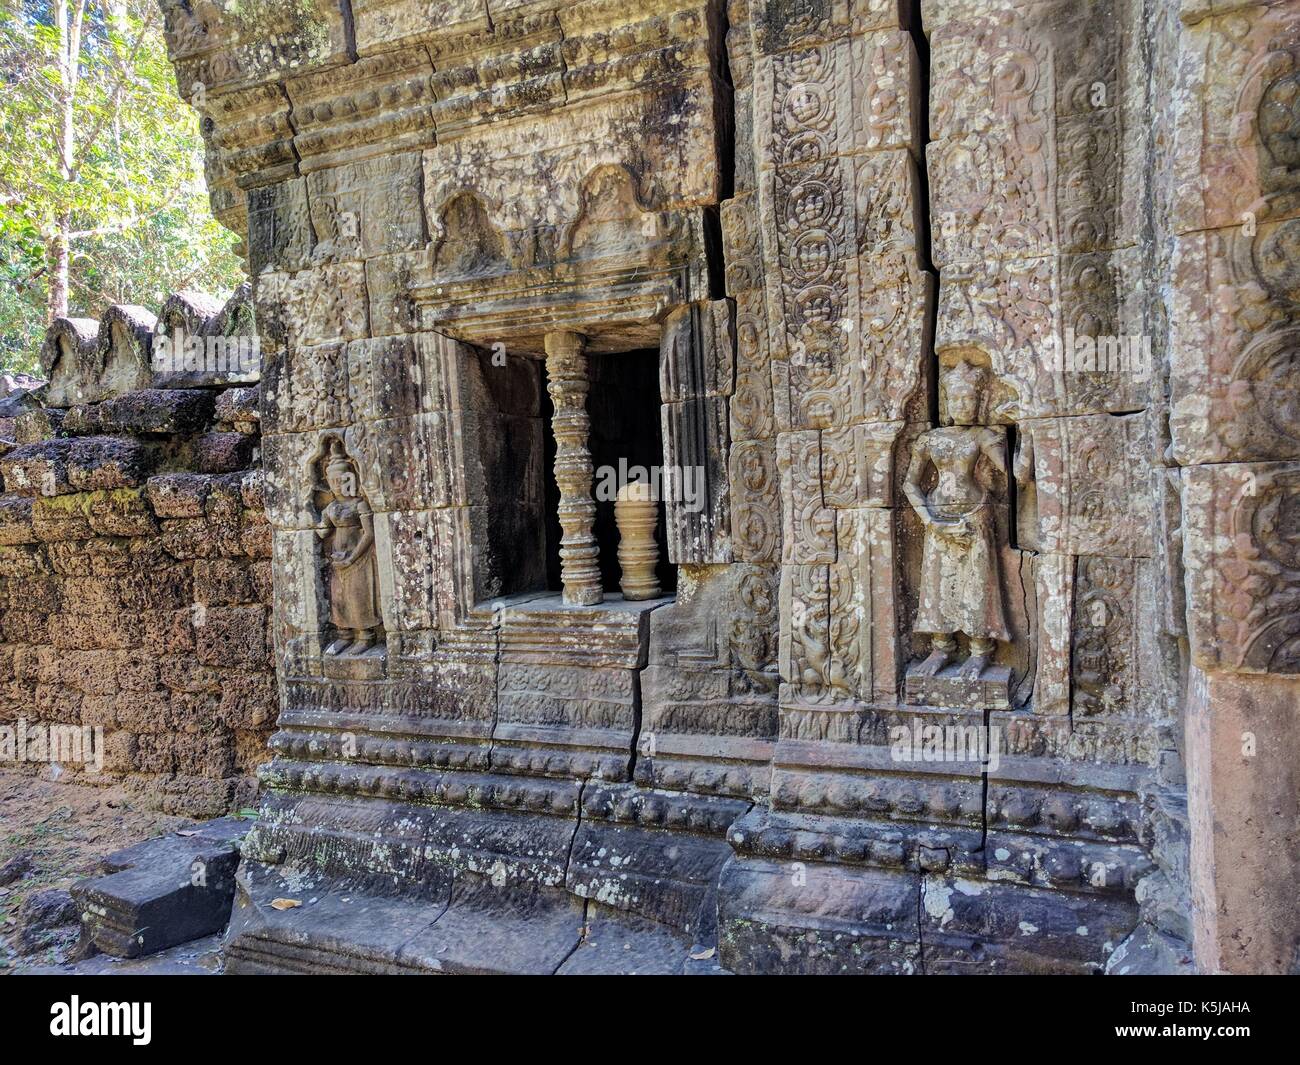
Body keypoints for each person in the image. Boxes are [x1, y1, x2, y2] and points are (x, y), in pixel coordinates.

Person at [903, 359, 1010, 679]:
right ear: (947, 401)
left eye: (971, 399)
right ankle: (941, 647)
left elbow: (1012, 474)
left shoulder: (981, 436)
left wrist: (1025, 436)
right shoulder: (930, 439)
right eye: (958, 399)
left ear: (980, 402)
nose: (964, 405)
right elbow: (910, 483)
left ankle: (980, 652)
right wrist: (930, 520)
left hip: (974, 517)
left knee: (977, 584)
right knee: (937, 586)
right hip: (937, 519)